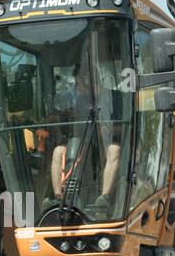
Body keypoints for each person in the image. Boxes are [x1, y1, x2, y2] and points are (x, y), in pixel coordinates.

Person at [49, 61, 121, 213]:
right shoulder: (81, 101)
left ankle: (104, 197)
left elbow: (127, 126)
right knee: (58, 151)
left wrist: (105, 130)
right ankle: (58, 197)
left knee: (114, 150)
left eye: (78, 83)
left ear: (89, 82)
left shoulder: (116, 97)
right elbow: (77, 127)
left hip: (108, 144)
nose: (76, 87)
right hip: (86, 144)